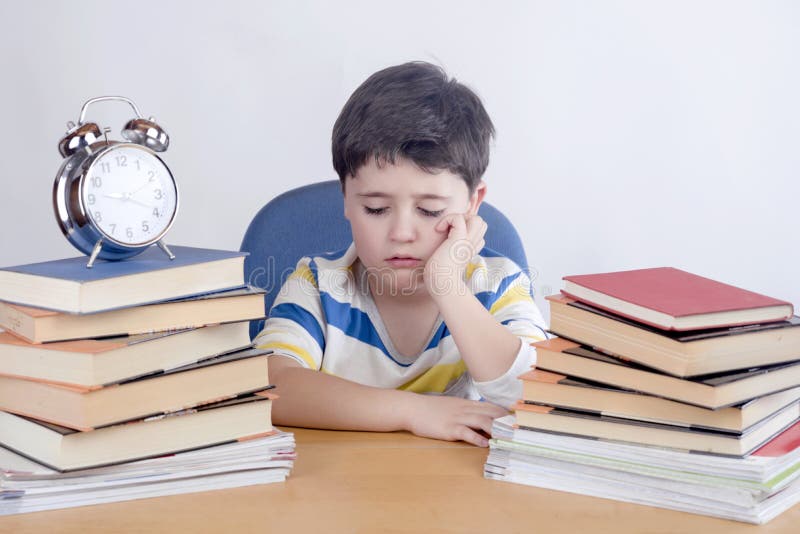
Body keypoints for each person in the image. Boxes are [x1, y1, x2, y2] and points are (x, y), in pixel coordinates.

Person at [255, 61, 547, 447]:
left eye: (429, 210)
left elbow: (536, 398)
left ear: (474, 203)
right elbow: (268, 387)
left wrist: (448, 287)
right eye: (376, 209)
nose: (402, 234)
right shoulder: (317, 285)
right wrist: (411, 411)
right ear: (345, 200)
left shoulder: (497, 284)